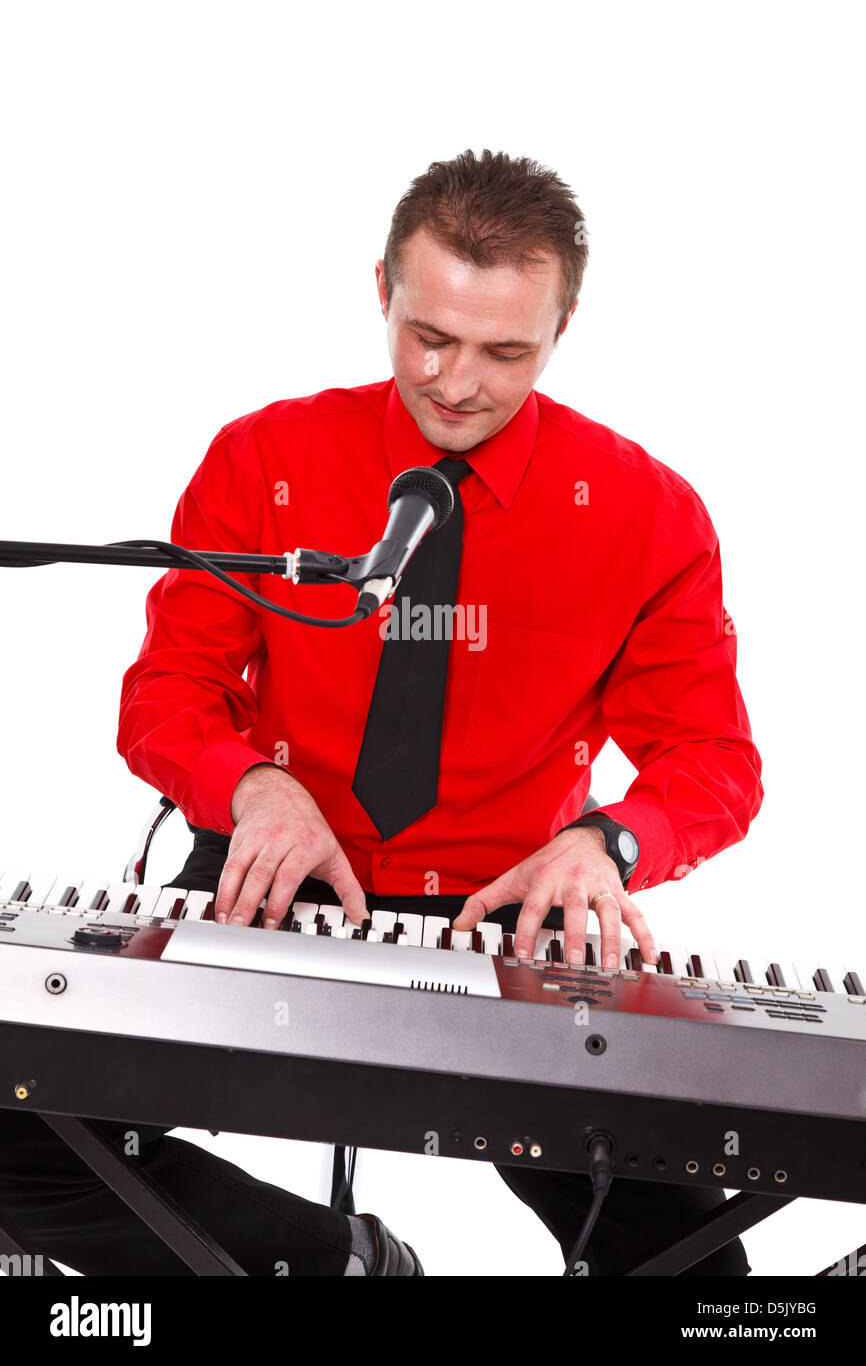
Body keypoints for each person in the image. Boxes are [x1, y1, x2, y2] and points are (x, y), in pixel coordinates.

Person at [0, 148, 763, 1276]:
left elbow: (710, 761)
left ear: (563, 327)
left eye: (505, 350)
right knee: (18, 1137)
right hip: (269, 881)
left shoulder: (647, 513)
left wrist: (607, 843)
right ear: (382, 291)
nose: (456, 382)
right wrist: (250, 788)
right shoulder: (267, 456)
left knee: (690, 1264)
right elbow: (166, 693)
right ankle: (335, 1264)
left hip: (508, 913)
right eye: (429, 337)